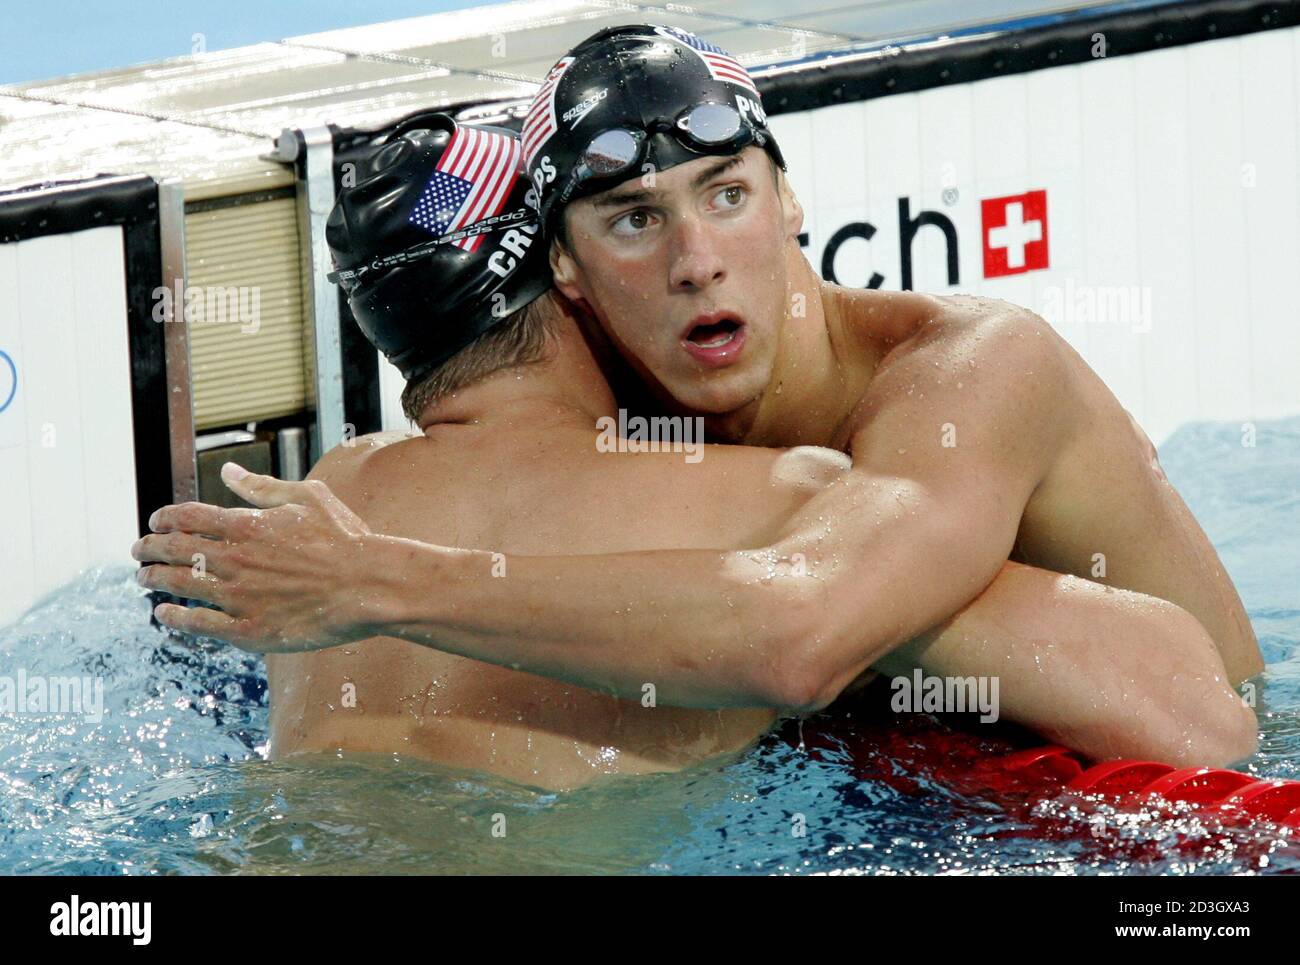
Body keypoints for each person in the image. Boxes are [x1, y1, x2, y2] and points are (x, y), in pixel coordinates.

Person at [135, 31, 1261, 773]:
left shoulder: (970, 375)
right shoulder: (655, 434)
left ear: (790, 202)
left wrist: (377, 579)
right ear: (565, 273)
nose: (696, 261)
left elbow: (804, 626)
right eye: (633, 218)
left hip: (1186, 791)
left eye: (726, 196)